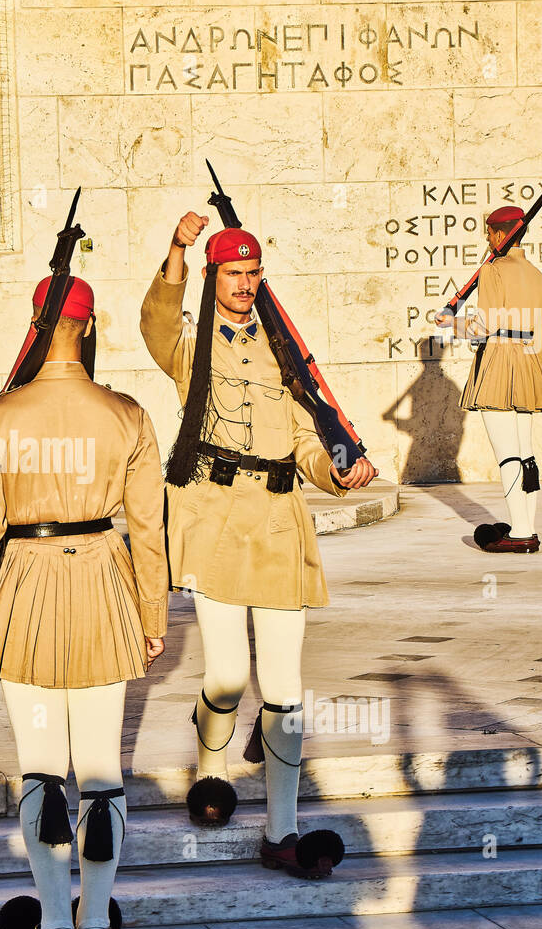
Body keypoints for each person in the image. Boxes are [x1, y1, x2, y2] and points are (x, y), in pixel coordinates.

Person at [140, 212, 376, 878]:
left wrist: (337, 469)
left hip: (277, 521)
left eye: (252, 273)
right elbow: (156, 322)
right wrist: (176, 248)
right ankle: (210, 770)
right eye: (233, 273)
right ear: (214, 276)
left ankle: (282, 829)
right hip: (211, 518)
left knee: (283, 687)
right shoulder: (190, 346)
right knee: (226, 677)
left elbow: (305, 438)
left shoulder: (283, 352)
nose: (244, 284)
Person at [0, 276, 168, 929]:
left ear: (35, 323)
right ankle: (96, 923)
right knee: (101, 769)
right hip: (103, 582)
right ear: (89, 325)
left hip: (28, 586)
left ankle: (52, 921)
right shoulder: (128, 414)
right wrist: (153, 616)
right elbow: (149, 528)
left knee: (41, 763)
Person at [438, 205, 542, 552]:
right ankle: (527, 527)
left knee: (507, 455)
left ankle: (520, 534)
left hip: (499, 362)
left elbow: (483, 326)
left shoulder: (492, 270)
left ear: (501, 234)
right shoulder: (536, 275)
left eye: (489, 233)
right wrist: (530, 365)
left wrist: (451, 324)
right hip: (527, 362)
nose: (487, 239)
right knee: (526, 454)